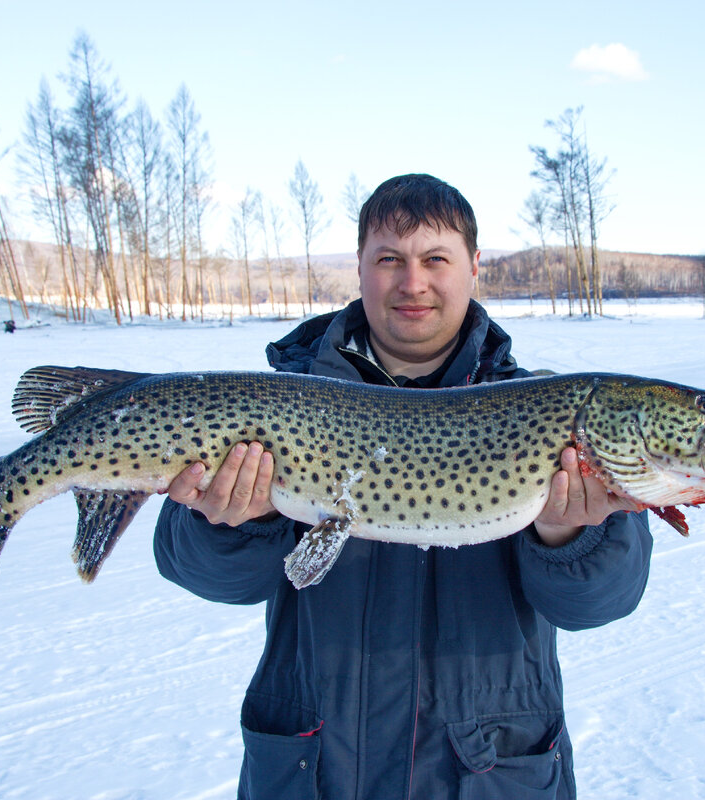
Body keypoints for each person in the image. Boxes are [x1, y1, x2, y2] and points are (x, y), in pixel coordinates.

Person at [154, 173, 653, 799]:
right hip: (314, 773)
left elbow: (600, 603)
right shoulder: (276, 403)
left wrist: (568, 532)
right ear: (360, 269)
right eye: (388, 258)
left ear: (474, 267)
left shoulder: (553, 413)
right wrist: (235, 521)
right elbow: (208, 576)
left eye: (435, 259)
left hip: (489, 772)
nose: (411, 282)